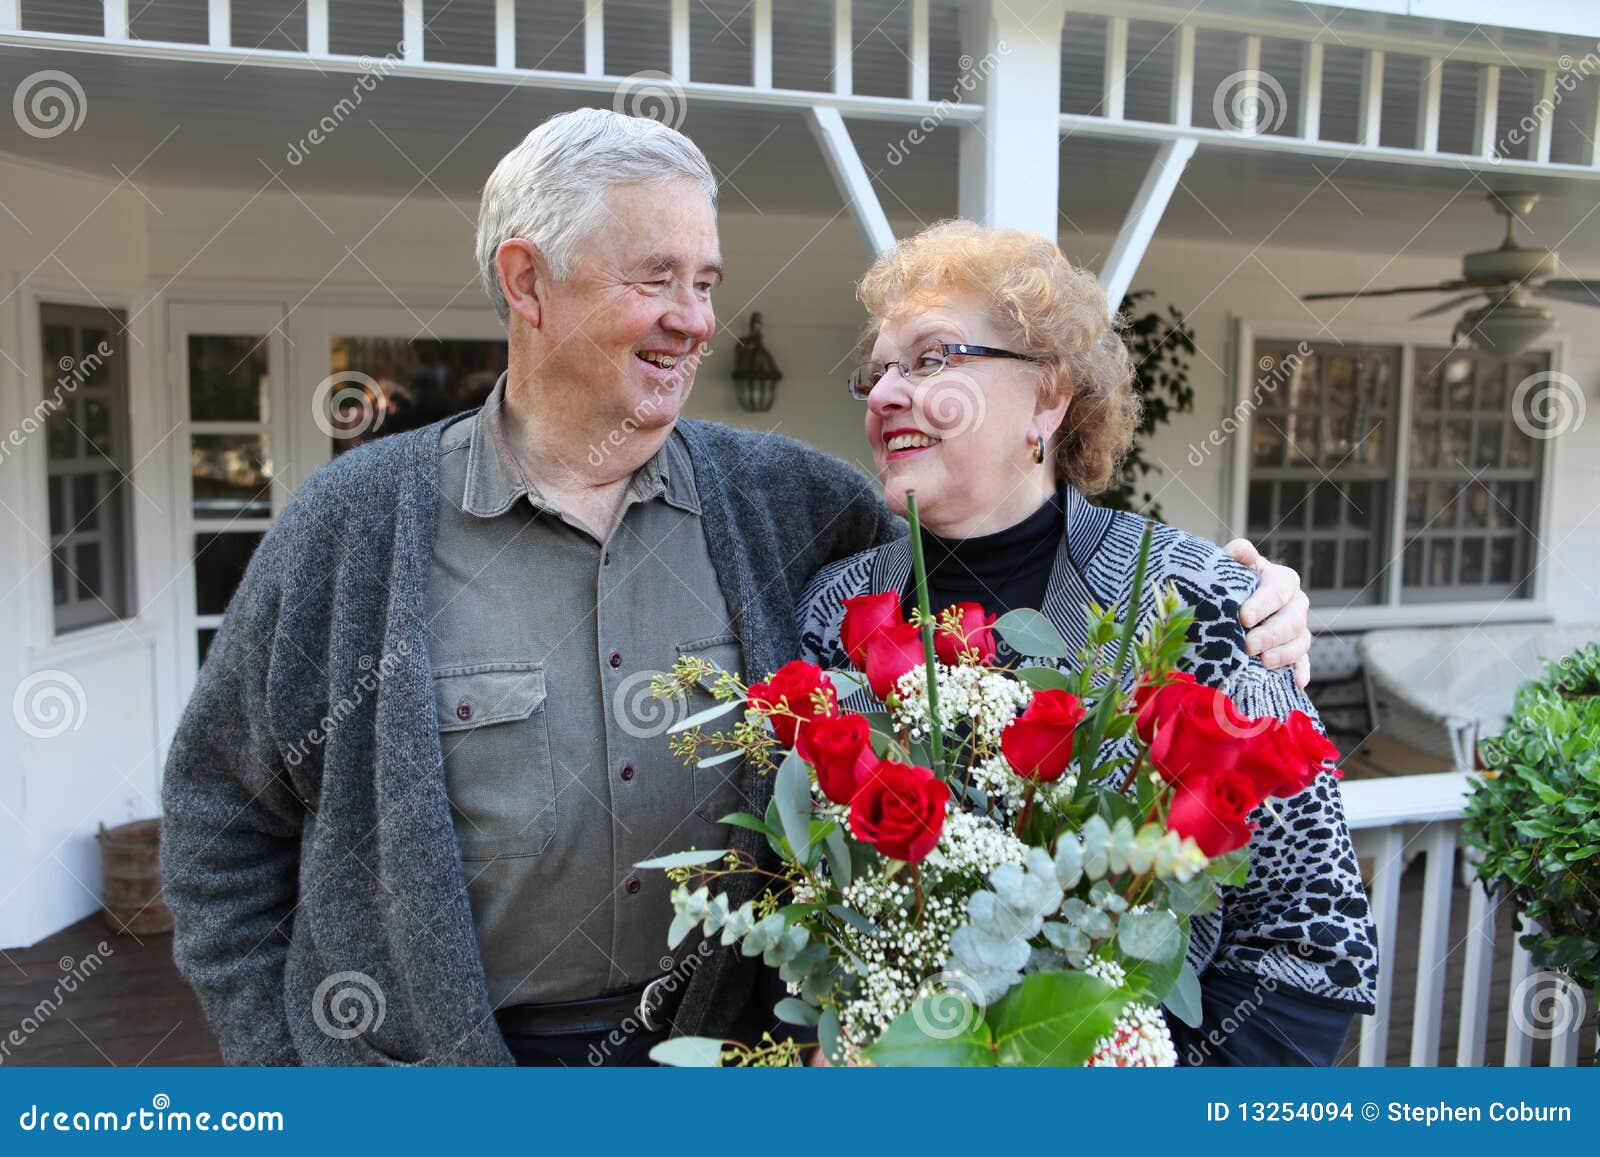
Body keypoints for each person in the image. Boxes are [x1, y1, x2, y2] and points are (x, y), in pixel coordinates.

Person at [161, 109, 1313, 1067]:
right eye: (655, 276)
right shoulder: (353, 529)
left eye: (706, 281)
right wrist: (281, 1067)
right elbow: (219, 822)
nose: (696, 319)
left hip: (726, 1062)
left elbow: (989, 549)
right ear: (527, 281)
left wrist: (1245, 594)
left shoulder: (787, 509)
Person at [798, 220, 1377, 1065]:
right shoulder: (835, 610)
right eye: (878, 370)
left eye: (930, 359)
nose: (885, 393)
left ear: (1048, 395)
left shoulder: (1202, 603)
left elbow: (1310, 941)